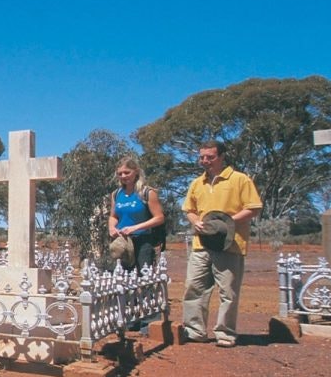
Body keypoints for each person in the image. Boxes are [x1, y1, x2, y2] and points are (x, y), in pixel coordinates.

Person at [181, 141, 263, 348]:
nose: (205, 161)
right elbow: (189, 209)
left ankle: (225, 333)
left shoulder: (239, 180)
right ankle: (194, 330)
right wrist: (195, 222)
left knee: (228, 291)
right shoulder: (197, 183)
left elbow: (253, 208)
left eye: (210, 157)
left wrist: (228, 223)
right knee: (194, 287)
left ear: (222, 157)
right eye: (202, 157)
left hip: (229, 244)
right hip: (201, 244)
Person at [107, 156, 166, 269]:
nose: (123, 176)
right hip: (122, 242)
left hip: (143, 241)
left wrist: (135, 228)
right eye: (120, 173)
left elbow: (159, 218)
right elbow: (113, 216)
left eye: (127, 172)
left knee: (143, 278)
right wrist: (111, 228)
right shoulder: (116, 194)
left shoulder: (147, 192)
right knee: (122, 278)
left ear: (136, 172)